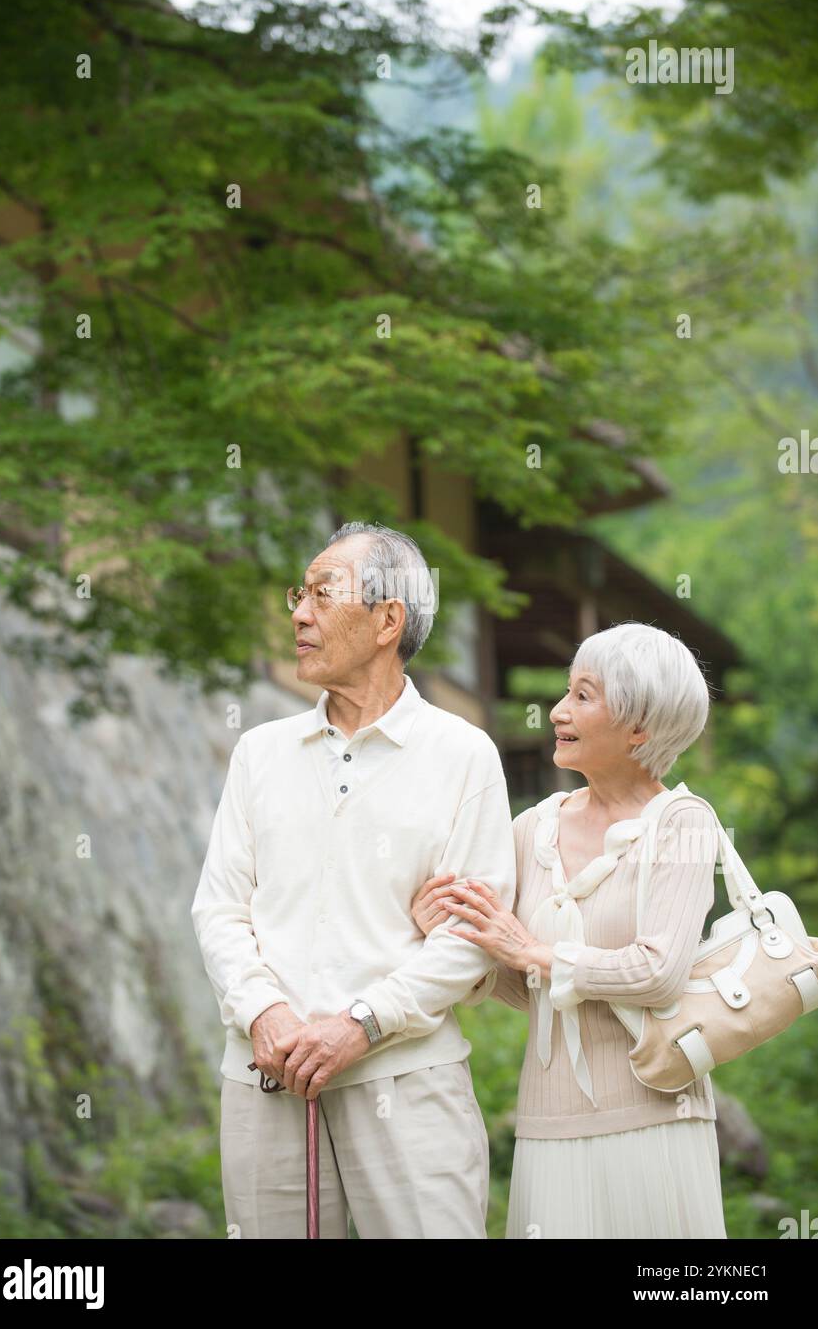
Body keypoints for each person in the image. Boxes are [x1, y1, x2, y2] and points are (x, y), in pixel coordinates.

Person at [191, 520, 516, 1238]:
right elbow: (219, 910)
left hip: (406, 1083)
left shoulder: (461, 755)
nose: (298, 614)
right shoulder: (259, 753)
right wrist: (264, 1015)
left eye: (321, 595)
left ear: (386, 620)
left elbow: (469, 936)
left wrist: (360, 1025)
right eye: (296, 596)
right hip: (263, 1078)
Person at [412, 621, 728, 1239]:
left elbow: (659, 973)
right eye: (566, 691)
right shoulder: (532, 829)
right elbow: (524, 983)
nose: (557, 710)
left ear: (640, 726)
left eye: (584, 695)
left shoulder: (683, 822)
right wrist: (456, 936)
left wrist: (531, 948)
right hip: (547, 1121)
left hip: (655, 1118)